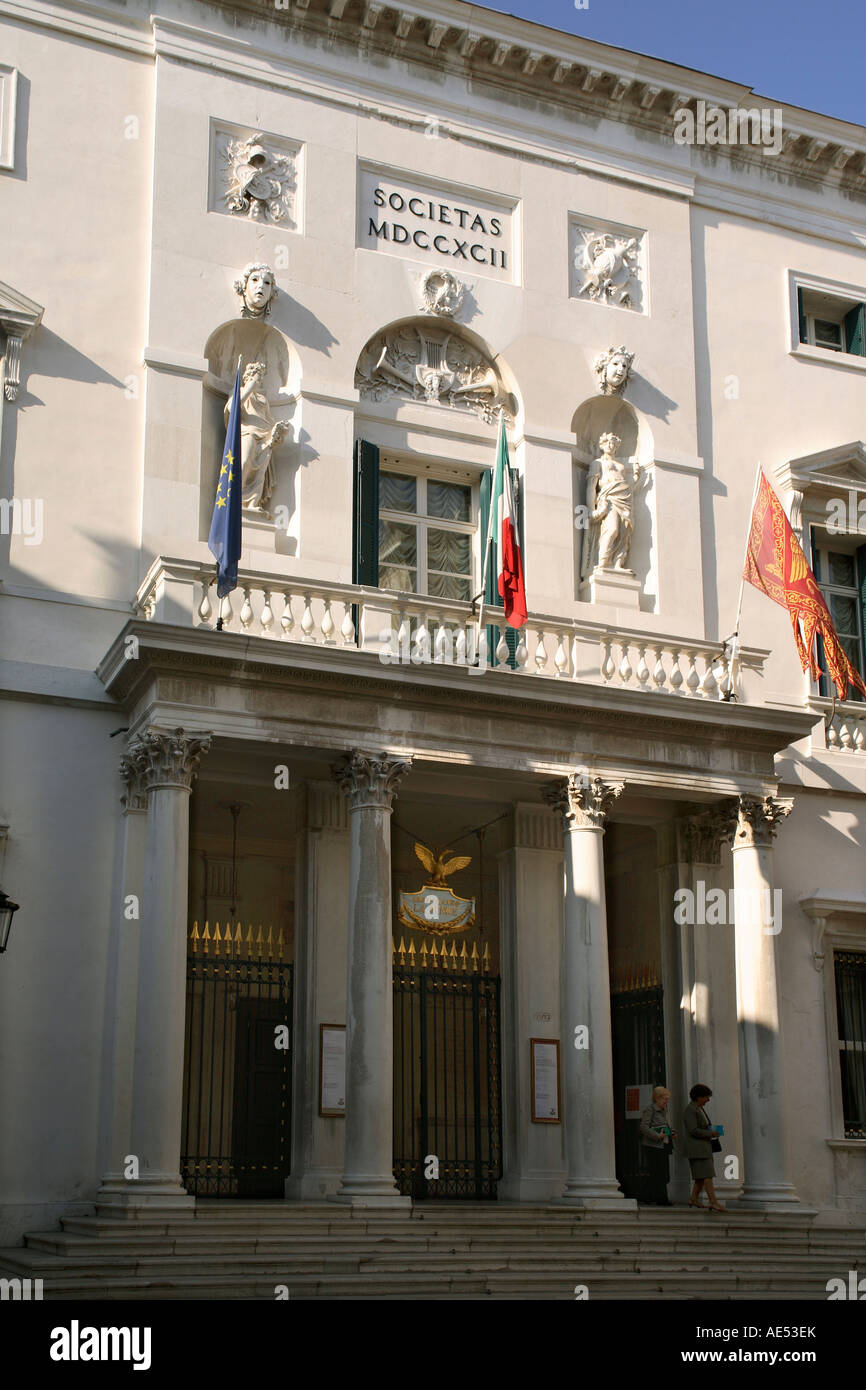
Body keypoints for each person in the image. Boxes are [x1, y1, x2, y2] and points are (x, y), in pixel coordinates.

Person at [683, 1083, 725, 1212]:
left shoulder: (698, 1109)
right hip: (698, 1150)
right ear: (698, 1096)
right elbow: (693, 1130)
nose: (708, 1100)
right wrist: (710, 1133)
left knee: (701, 1177)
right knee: (707, 1176)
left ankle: (693, 1199)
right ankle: (713, 1202)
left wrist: (712, 1131)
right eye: (706, 1097)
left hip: (703, 1148)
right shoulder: (691, 1110)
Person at [639, 1085, 676, 1205]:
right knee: (657, 1172)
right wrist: (656, 1136)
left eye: (667, 1099)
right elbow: (643, 1127)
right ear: (657, 1098)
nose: (666, 1101)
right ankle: (660, 1199)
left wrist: (672, 1132)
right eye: (665, 1099)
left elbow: (665, 1127)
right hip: (652, 1146)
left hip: (663, 1145)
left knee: (662, 1172)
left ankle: (649, 1197)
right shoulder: (650, 1109)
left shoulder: (665, 1110)